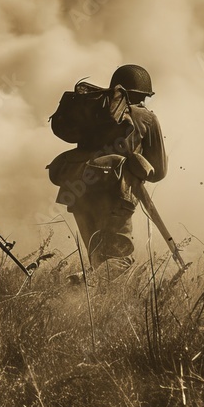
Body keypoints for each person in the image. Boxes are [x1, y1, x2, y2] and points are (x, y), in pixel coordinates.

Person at [48, 64, 167, 281]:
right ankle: (83, 281)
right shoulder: (146, 117)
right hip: (116, 194)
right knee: (121, 259)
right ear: (142, 94)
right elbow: (159, 172)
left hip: (76, 190)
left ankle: (89, 296)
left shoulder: (94, 112)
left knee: (98, 258)